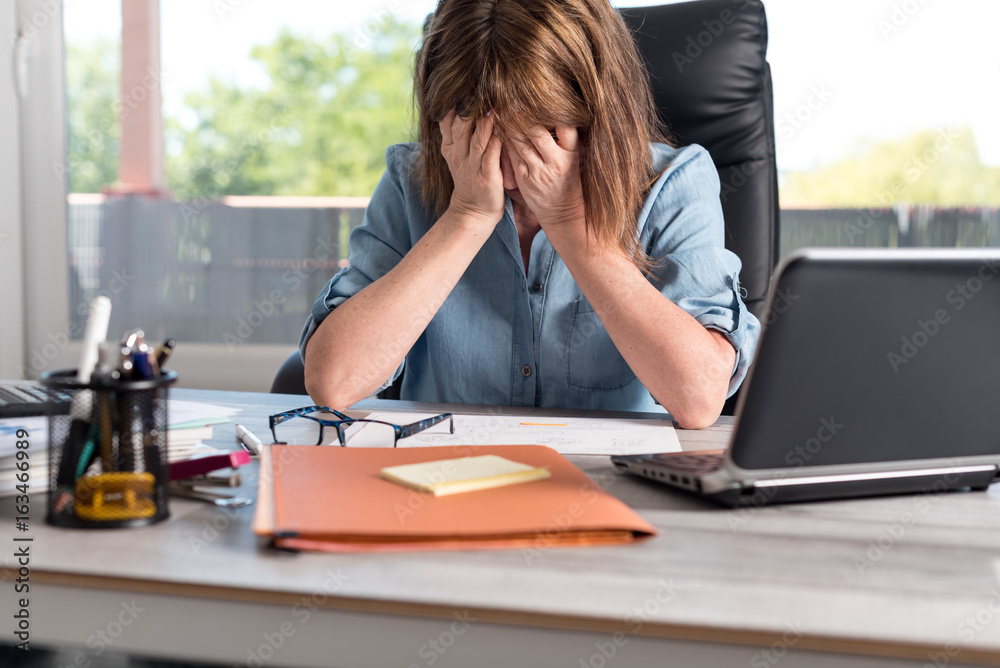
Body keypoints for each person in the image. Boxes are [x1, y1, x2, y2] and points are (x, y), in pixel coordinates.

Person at [300, 0, 760, 429]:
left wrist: (569, 226)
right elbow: (333, 383)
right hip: (444, 483)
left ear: (594, 116)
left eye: (537, 134)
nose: (509, 168)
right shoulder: (411, 180)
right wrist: (466, 216)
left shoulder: (673, 182)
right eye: (481, 133)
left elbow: (699, 400)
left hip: (606, 483)